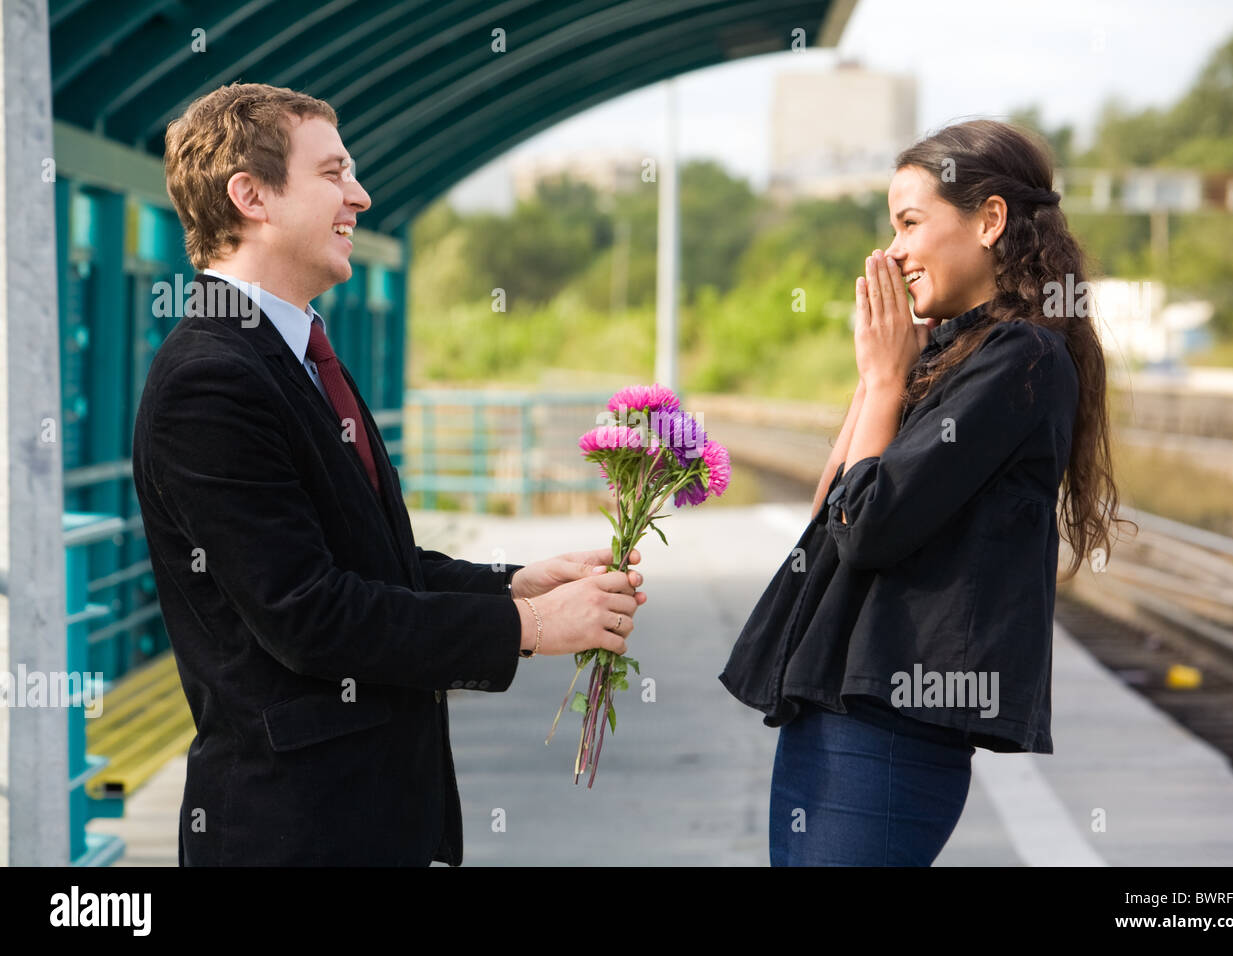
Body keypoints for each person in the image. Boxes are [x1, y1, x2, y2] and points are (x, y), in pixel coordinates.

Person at [132, 82, 646, 866]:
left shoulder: (291, 354)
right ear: (251, 196)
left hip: (363, 820)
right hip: (297, 833)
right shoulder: (212, 380)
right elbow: (310, 615)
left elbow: (365, 565)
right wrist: (536, 632)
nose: (361, 196)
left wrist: (514, 585)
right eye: (333, 174)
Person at [719, 119, 1135, 866]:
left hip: (890, 727)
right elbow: (826, 525)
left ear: (990, 220)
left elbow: (869, 528)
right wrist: (880, 374)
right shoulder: (952, 352)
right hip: (844, 712)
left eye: (911, 223)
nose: (895, 250)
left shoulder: (1022, 359)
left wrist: (886, 380)